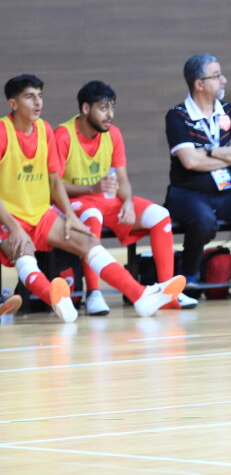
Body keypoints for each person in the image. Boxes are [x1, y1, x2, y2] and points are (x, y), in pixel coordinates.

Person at [0, 75, 183, 322]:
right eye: (29, 97)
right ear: (13, 104)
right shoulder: (3, 132)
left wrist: (70, 216)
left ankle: (140, 296)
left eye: (40, 96)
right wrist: (14, 228)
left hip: (41, 214)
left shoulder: (44, 130)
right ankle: (57, 301)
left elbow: (54, 181)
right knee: (23, 252)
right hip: (8, 217)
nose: (38, 102)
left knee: (87, 241)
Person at [57, 80, 197, 315]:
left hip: (107, 200)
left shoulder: (113, 134)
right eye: (103, 108)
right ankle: (94, 293)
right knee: (92, 216)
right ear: (86, 108)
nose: (110, 114)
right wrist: (91, 188)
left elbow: (122, 179)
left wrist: (129, 202)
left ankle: (166, 292)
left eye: (112, 108)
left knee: (160, 215)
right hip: (75, 203)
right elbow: (54, 185)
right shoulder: (63, 135)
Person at [164, 54, 231, 290]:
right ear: (199, 84)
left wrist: (208, 151)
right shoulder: (177, 116)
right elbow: (189, 162)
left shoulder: (230, 111)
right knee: (204, 221)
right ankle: (188, 275)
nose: (224, 80)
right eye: (217, 76)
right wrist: (228, 154)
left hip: (228, 191)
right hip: (187, 193)